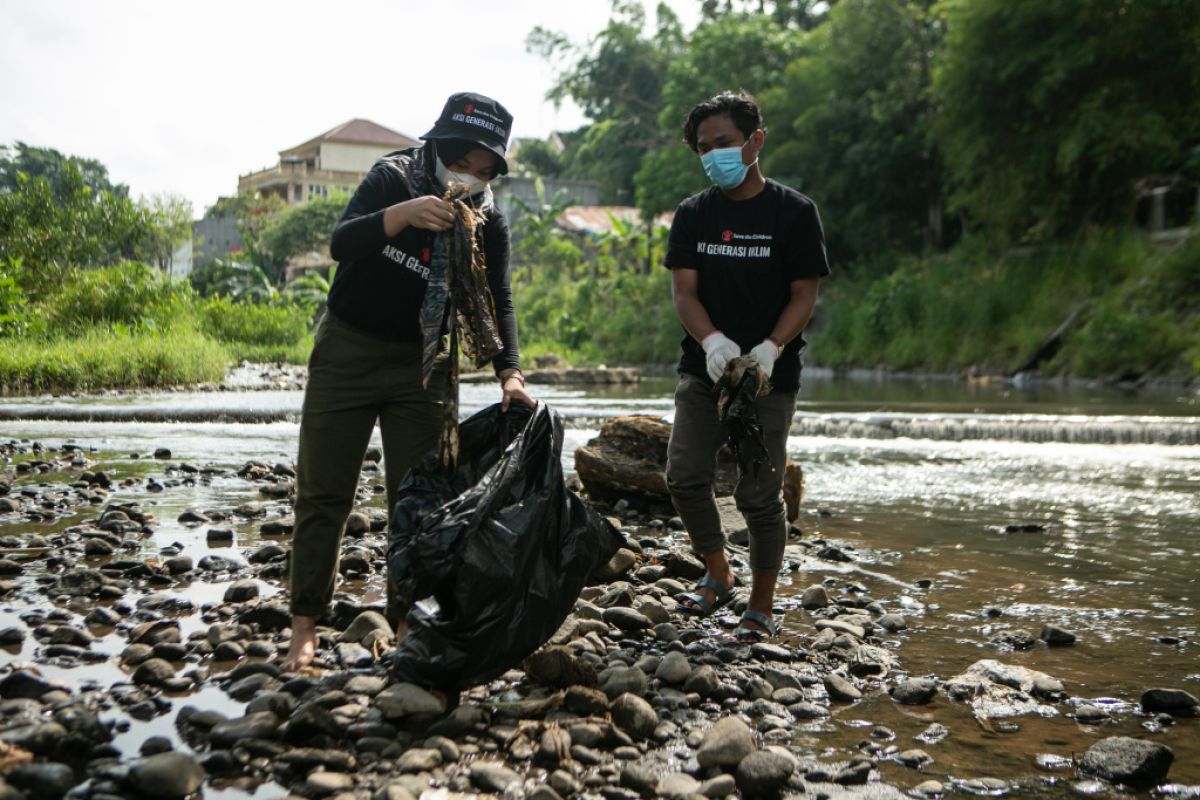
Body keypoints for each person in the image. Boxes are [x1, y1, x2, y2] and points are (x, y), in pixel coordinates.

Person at [282, 92, 534, 671]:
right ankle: (303, 628)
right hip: (348, 350)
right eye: (462, 162)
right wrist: (401, 216)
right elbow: (341, 244)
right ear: (439, 148)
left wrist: (510, 374)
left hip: (425, 367)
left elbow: (500, 298)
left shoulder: (487, 218)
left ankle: (403, 625)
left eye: (484, 169)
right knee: (324, 492)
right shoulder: (391, 177)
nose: (469, 177)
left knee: (418, 503)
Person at [664, 90, 829, 641]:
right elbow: (684, 294)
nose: (715, 155)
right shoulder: (693, 214)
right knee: (685, 477)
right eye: (705, 148)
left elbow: (804, 294)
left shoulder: (795, 213)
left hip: (770, 377)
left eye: (725, 143)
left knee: (760, 493)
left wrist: (771, 348)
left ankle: (760, 604)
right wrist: (711, 341)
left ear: (755, 140)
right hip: (704, 371)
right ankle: (718, 572)